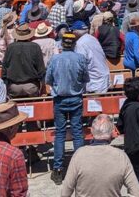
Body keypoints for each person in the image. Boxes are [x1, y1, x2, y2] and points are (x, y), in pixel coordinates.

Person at [61, 114, 139, 197]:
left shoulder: (79, 154)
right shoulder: (121, 156)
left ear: (92, 131)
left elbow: (66, 191)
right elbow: (137, 193)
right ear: (112, 133)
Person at [45, 32, 89, 184]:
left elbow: (48, 79)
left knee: (60, 134)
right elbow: (85, 78)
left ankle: (58, 169)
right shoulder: (80, 59)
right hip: (76, 97)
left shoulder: (55, 59)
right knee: (77, 131)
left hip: (60, 99)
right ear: (74, 44)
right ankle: (81, 167)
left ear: (62, 44)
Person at [1, 24, 45, 97]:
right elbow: (41, 69)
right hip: (31, 87)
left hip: (14, 88)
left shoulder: (10, 47)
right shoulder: (35, 47)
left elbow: (4, 69)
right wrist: (43, 87)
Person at [72, 20, 111, 93]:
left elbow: (81, 63)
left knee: (95, 103)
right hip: (102, 76)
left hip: (94, 80)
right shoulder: (92, 38)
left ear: (76, 32)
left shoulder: (80, 43)